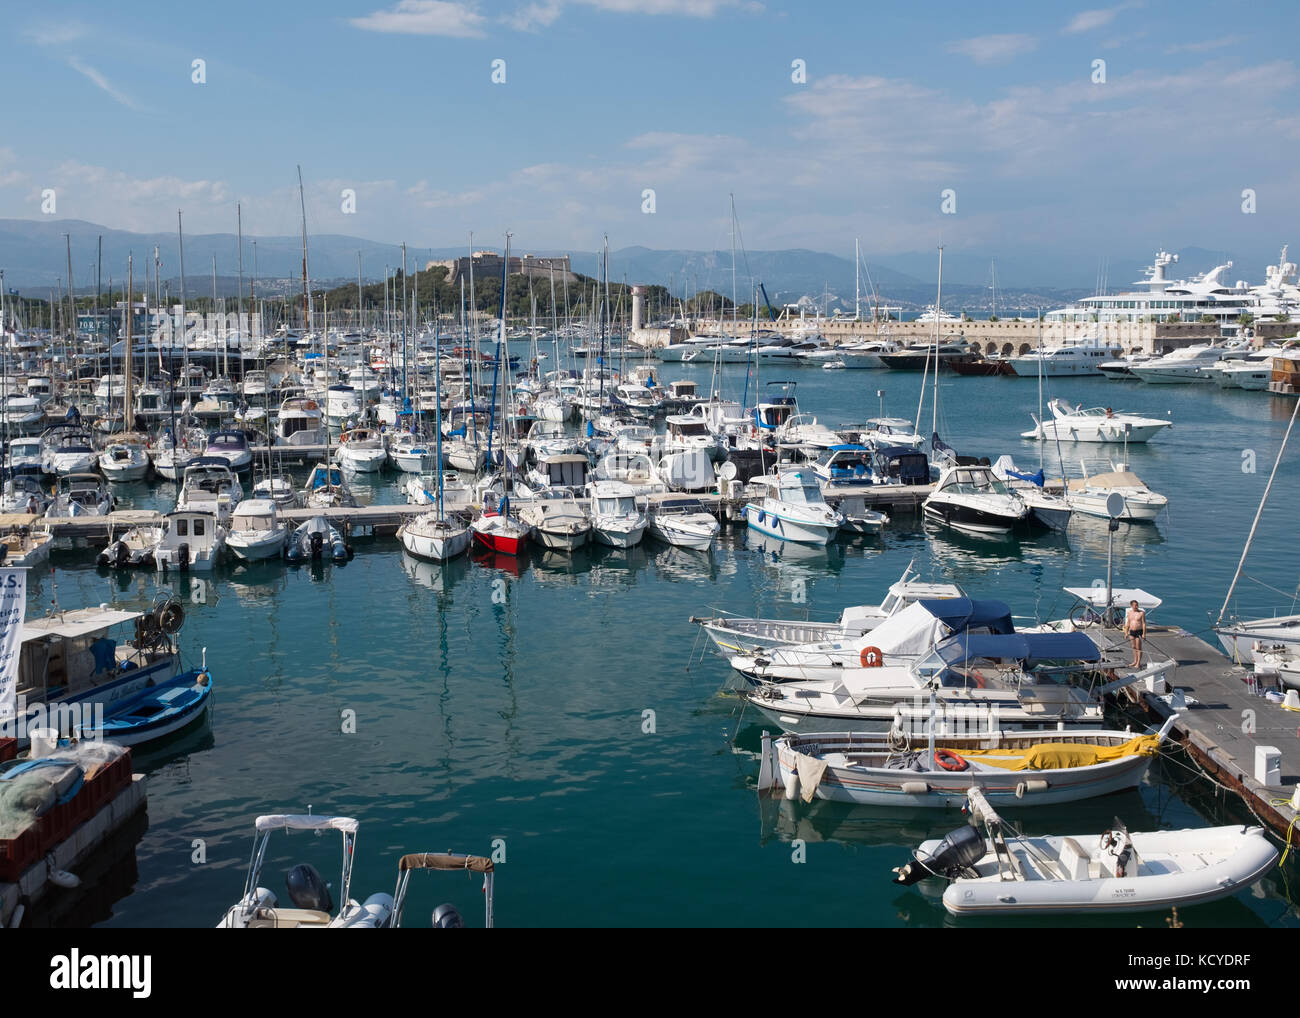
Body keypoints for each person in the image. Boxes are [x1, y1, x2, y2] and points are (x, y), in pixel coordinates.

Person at [1125, 599, 1147, 668]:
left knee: (1138, 647)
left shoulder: (1141, 613)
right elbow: (1128, 623)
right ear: (1131, 606)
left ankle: (1138, 662)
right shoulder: (1129, 613)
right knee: (1133, 647)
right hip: (1132, 631)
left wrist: (1144, 634)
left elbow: (1143, 623)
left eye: (1137, 605)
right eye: (1134, 605)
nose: (1136, 606)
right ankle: (1135, 661)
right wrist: (1126, 632)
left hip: (1139, 631)